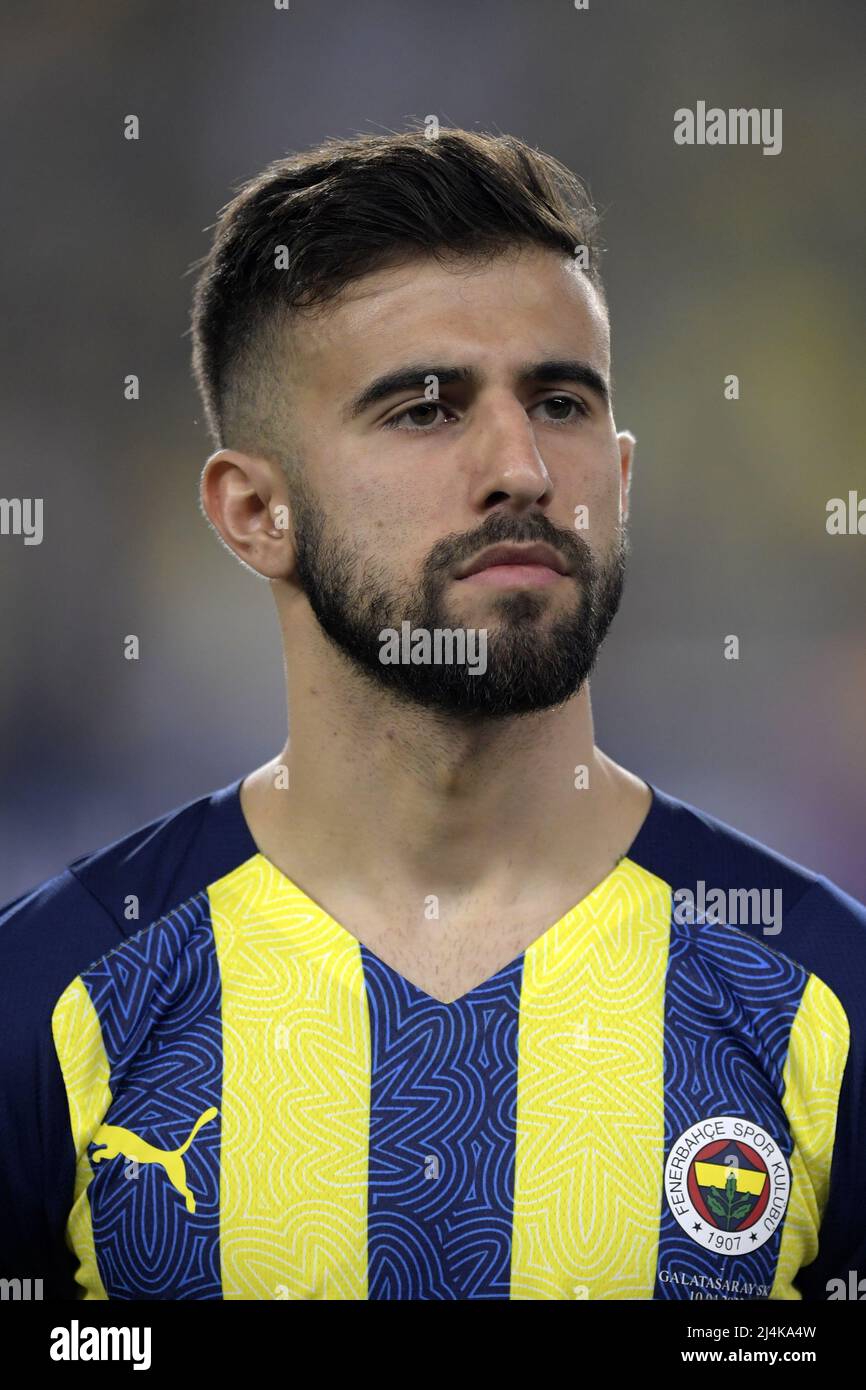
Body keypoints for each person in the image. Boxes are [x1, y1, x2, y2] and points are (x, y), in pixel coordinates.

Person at [1, 128, 864, 1302]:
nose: (519, 468)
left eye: (558, 402)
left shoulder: (819, 998)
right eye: (421, 409)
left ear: (620, 476)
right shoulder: (53, 1000)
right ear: (255, 510)